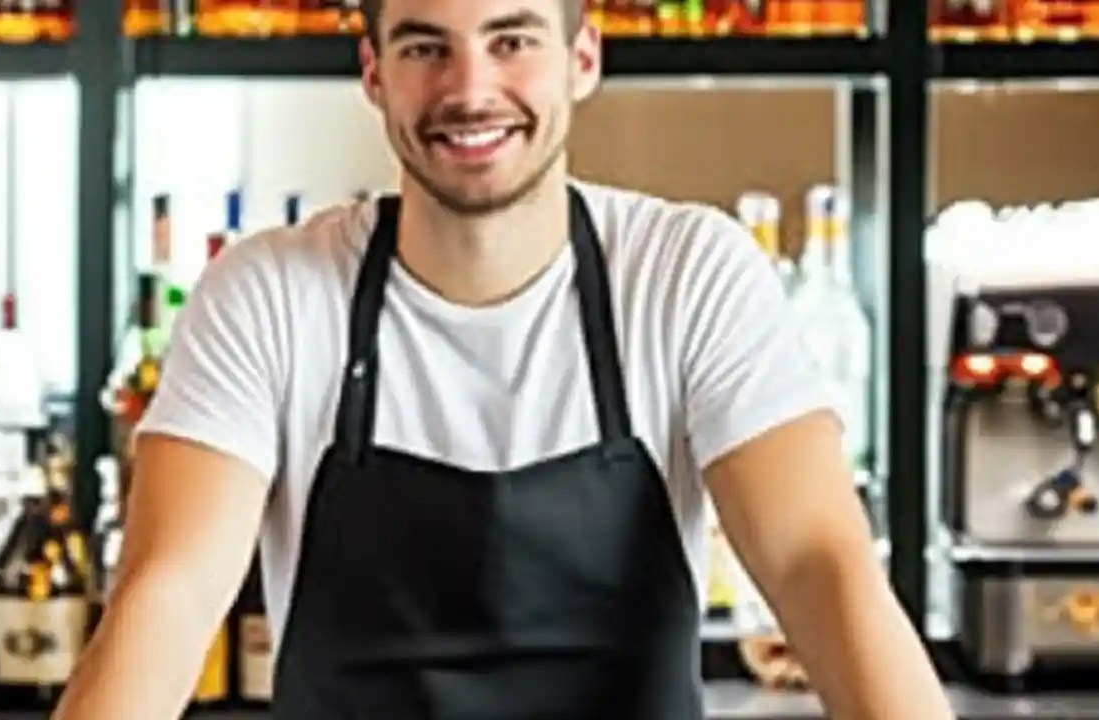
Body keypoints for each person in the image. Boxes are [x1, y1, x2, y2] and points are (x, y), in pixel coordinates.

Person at [54, 0, 955, 717]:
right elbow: (166, 600)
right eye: (422, 47)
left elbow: (820, 570)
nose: (468, 88)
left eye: (511, 38)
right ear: (373, 73)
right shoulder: (269, 294)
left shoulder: (687, 273)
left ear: (583, 59)